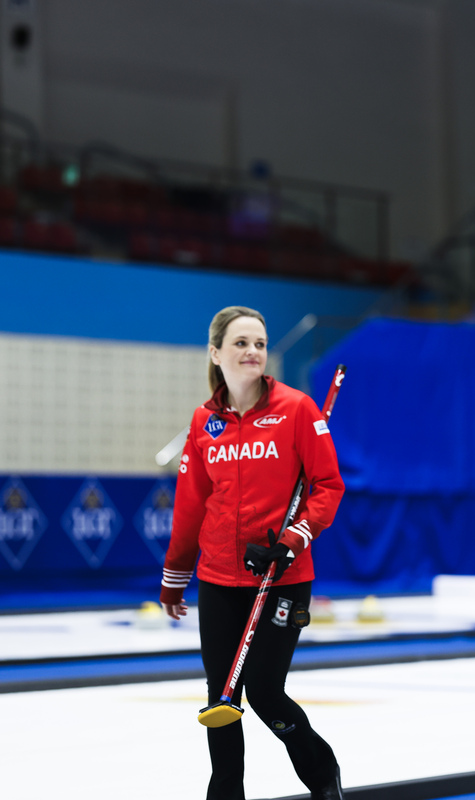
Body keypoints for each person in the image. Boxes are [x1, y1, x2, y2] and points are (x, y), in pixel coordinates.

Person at [159, 306, 345, 800]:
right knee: (222, 698)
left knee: (263, 691)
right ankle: (225, 792)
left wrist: (291, 541)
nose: (253, 352)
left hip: (282, 577)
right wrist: (174, 575)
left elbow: (327, 486)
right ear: (216, 352)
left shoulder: (298, 409)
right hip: (219, 579)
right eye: (241, 343)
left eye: (260, 343)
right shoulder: (204, 422)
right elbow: (190, 506)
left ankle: (323, 777)